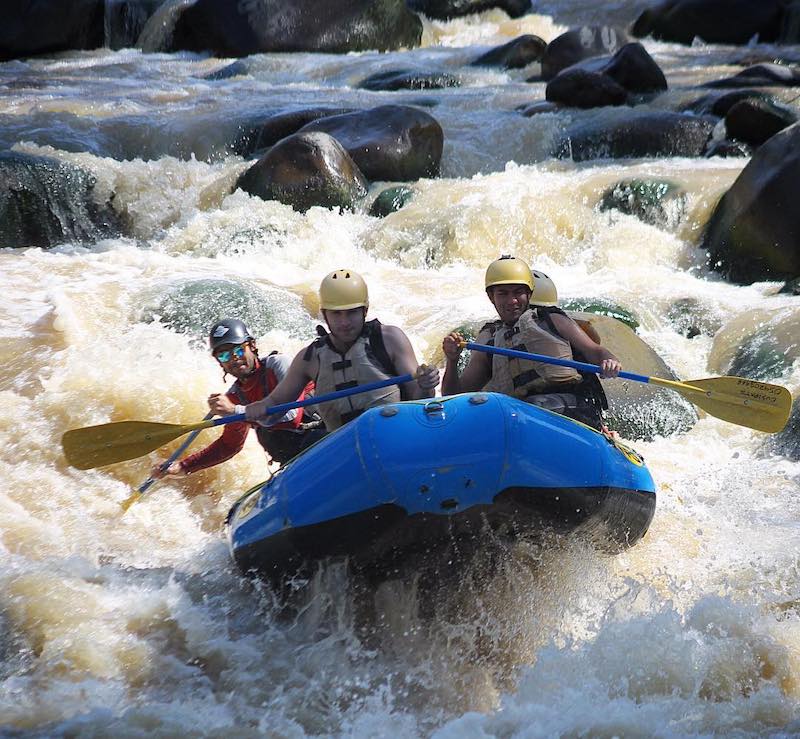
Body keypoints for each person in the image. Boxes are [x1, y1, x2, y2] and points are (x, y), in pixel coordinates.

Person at [214, 269, 440, 431]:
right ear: (324, 314)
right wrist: (253, 410)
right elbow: (274, 409)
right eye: (336, 314)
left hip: (395, 434)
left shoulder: (389, 339)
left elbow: (419, 400)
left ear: (365, 310)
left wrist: (427, 386)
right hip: (342, 449)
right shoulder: (309, 358)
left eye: (351, 312)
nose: (344, 322)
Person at [441, 255, 620, 430]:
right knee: (486, 410)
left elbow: (595, 351)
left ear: (529, 294)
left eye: (518, 292)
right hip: (520, 412)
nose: (512, 301)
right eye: (503, 293)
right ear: (491, 297)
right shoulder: (490, 340)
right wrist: (452, 360)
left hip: (573, 407)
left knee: (531, 407)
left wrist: (609, 361)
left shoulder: (552, 319)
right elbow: (453, 398)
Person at [151, 318, 327, 479]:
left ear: (252, 345)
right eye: (224, 355)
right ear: (220, 363)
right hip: (294, 463)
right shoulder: (235, 397)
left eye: (238, 350)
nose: (233, 358)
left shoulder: (278, 364)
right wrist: (183, 466)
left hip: (325, 440)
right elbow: (229, 445)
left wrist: (235, 411)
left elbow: (291, 418)